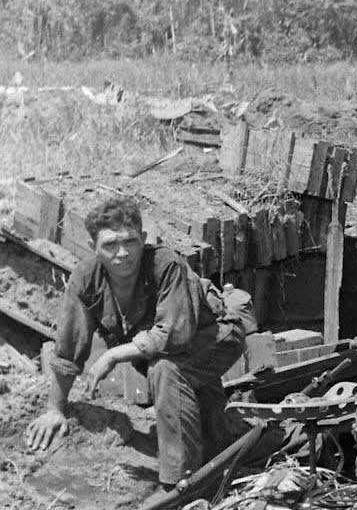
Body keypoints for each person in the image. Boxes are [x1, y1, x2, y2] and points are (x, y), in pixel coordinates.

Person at [24, 195, 253, 489]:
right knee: (208, 428)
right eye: (109, 245)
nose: (122, 253)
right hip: (173, 352)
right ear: (94, 246)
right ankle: (226, 449)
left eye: (130, 242)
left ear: (143, 238)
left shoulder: (166, 264)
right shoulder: (86, 278)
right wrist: (55, 409)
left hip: (217, 335)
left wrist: (113, 355)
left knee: (166, 369)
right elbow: (68, 349)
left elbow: (175, 334)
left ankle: (179, 482)